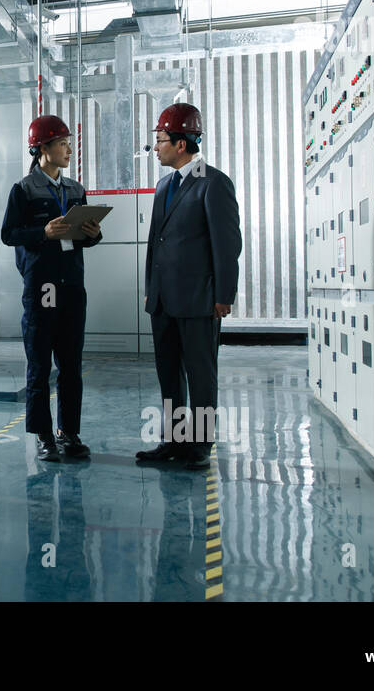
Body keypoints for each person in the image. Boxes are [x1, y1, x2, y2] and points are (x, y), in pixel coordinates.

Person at [137, 103, 241, 471]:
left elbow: (227, 245)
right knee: (169, 375)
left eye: (161, 140)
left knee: (199, 374)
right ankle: (174, 441)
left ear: (182, 144)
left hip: (199, 300)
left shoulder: (213, 183)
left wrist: (224, 295)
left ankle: (198, 446)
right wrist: (152, 286)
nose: (156, 148)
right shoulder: (164, 185)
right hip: (164, 299)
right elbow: (156, 242)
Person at [0, 114, 102, 462]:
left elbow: (89, 240)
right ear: (42, 149)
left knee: (72, 364)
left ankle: (69, 433)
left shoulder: (75, 190)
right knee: (40, 364)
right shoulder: (24, 190)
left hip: (72, 285)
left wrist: (92, 233)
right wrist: (43, 233)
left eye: (68, 143)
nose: (69, 149)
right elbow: (9, 235)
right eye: (62, 143)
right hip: (41, 285)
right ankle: (43, 436)